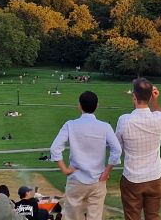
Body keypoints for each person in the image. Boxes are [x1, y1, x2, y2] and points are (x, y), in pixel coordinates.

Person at [49, 90, 122, 220]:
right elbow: (117, 150)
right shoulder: (105, 127)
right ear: (97, 106)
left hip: (76, 179)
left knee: (72, 217)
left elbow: (55, 148)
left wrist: (64, 169)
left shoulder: (70, 125)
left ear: (79, 105)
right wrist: (107, 171)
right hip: (98, 180)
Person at [115, 79, 161, 220]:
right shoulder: (159, 119)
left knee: (132, 216)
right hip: (154, 177)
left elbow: (117, 147)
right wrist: (155, 100)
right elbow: (159, 112)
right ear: (150, 97)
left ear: (134, 96)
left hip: (132, 177)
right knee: (154, 216)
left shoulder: (124, 120)